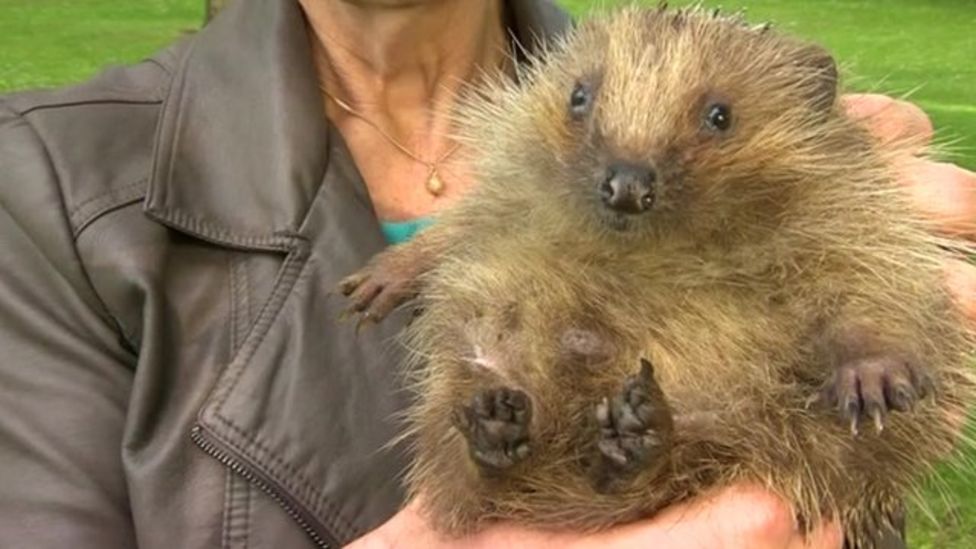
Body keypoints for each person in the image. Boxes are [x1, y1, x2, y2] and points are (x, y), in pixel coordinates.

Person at [0, 0, 970, 547]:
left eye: (713, 125)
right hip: (571, 414)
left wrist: (869, 345)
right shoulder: (41, 185)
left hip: (728, 437)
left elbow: (855, 334)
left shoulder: (668, 96)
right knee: (493, 381)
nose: (625, 170)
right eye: (590, 109)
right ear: (569, 101)